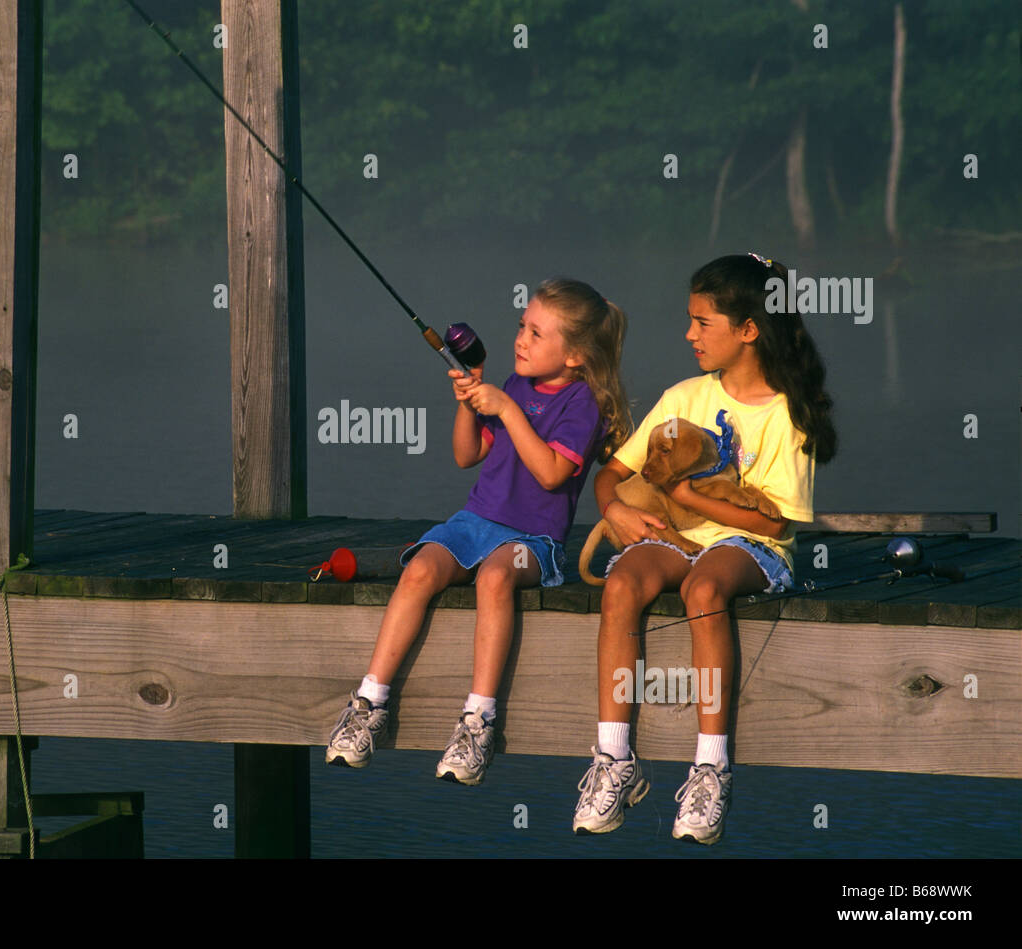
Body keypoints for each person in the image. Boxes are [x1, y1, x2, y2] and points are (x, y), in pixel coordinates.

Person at [572, 253, 836, 844]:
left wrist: (685, 490)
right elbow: (612, 473)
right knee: (622, 583)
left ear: (749, 331)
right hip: (675, 535)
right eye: (689, 321)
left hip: (749, 546)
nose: (689, 334)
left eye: (702, 323)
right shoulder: (683, 397)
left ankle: (711, 767)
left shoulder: (786, 412)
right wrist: (615, 510)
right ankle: (614, 760)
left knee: (704, 587)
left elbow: (773, 526)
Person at [325, 278, 632, 785]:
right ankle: (369, 703)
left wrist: (508, 411)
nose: (521, 340)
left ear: (575, 354)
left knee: (494, 577)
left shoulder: (582, 404)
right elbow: (466, 455)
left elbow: (554, 473)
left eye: (536, 333)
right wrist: (468, 403)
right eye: (521, 327)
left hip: (532, 540)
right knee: (421, 567)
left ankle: (478, 721)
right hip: (474, 522)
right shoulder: (511, 385)